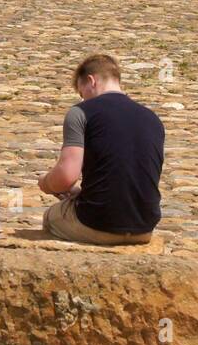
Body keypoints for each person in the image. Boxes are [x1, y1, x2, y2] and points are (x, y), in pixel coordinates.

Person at [39, 54, 164, 246]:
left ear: (91, 81)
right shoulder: (152, 118)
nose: (83, 99)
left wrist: (46, 184)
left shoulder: (80, 112)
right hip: (144, 228)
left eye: (82, 93)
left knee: (51, 217)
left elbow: (66, 175)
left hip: (96, 224)